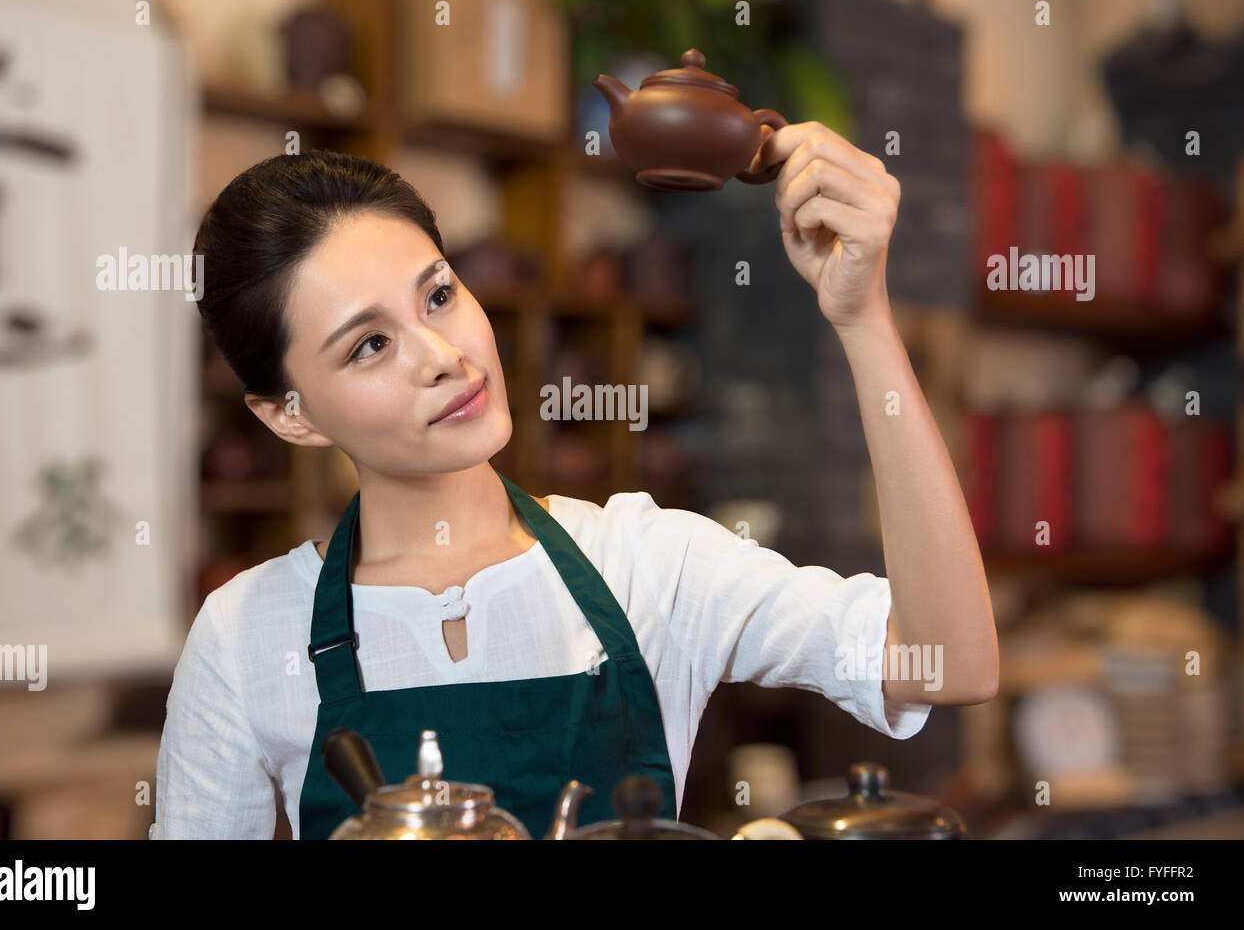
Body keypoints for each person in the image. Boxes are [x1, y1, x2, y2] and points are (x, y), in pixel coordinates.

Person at [152, 126, 998, 839]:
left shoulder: (645, 561)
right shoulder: (246, 635)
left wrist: (863, 319)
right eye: (369, 345)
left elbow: (947, 663)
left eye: (439, 295)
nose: (444, 356)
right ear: (287, 414)